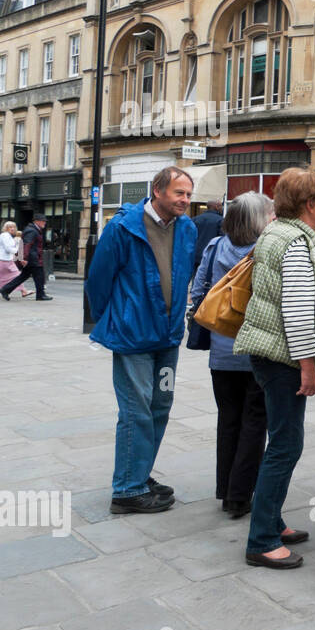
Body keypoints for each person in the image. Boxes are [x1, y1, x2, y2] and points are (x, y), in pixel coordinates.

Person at [233, 167, 315, 569]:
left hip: (270, 353)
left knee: (280, 439)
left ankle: (272, 522)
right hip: (282, 358)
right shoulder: (294, 243)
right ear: (309, 204)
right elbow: (296, 312)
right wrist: (307, 368)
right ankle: (261, 541)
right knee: (285, 444)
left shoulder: (276, 233)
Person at [86, 167, 198, 514]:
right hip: (133, 338)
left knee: (159, 407)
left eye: (189, 195)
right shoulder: (123, 227)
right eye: (179, 193)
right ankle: (127, 490)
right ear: (158, 191)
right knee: (136, 411)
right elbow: (98, 282)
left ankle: (139, 474)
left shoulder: (188, 228)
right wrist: (118, 318)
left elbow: (184, 276)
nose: (185, 201)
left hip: (167, 338)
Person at [189, 191, 275, 519]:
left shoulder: (213, 248)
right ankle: (240, 496)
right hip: (256, 350)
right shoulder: (264, 251)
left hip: (221, 354)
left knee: (228, 421)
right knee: (255, 422)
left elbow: (198, 295)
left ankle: (225, 489)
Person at [0, 214, 51, 301]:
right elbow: (27, 244)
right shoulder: (32, 231)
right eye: (43, 221)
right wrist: (24, 258)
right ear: (37, 221)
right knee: (39, 276)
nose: (45, 223)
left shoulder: (35, 230)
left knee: (24, 276)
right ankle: (40, 295)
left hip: (33, 257)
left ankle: (5, 289)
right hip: (32, 258)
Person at [0, 221, 30, 298]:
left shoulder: (9, 236)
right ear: (6, 228)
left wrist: (20, 258)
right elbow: (8, 248)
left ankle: (24, 291)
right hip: (2, 259)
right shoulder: (4, 235)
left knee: (17, 275)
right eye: (10, 227)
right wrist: (19, 253)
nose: (12, 229)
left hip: (8, 260)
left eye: (13, 227)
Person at [191, 198, 224, 274]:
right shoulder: (221, 221)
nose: (222, 208)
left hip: (195, 257)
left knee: (196, 279)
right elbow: (223, 240)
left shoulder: (195, 219)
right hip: (212, 257)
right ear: (216, 207)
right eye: (221, 206)